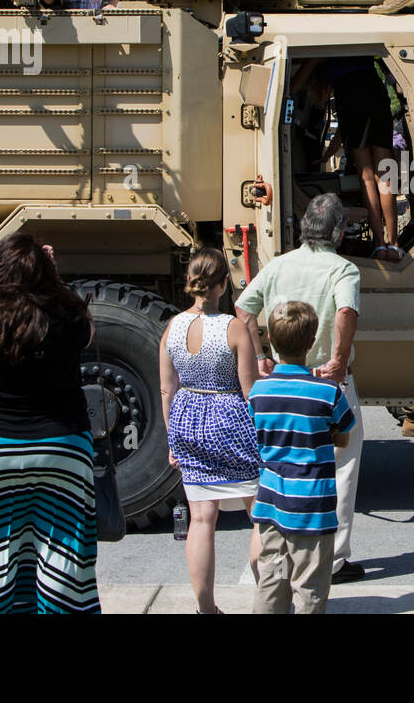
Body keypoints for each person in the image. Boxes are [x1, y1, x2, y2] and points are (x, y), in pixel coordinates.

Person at [0, 235, 100, 613]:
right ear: (46, 273)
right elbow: (88, 328)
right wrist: (55, 278)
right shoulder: (65, 313)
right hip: (63, 447)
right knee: (65, 558)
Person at [234, 193, 367, 584]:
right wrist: (339, 362)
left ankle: (283, 553)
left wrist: (259, 355)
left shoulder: (278, 265)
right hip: (325, 383)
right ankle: (333, 559)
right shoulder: (343, 269)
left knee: (281, 466)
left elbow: (243, 311)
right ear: (339, 231)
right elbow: (346, 311)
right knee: (340, 468)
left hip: (282, 380)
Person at [160, 248, 262, 615]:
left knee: (201, 519)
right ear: (223, 284)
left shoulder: (172, 327)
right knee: (260, 516)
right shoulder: (233, 327)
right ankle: (266, 601)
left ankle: (207, 607)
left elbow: (166, 389)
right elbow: (249, 390)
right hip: (231, 423)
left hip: (188, 420)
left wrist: (173, 438)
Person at [248, 301, 355, 613]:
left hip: (270, 503)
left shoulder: (259, 392)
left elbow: (256, 437)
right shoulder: (327, 392)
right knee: (309, 584)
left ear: (271, 341)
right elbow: (343, 438)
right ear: (311, 342)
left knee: (273, 578)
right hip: (312, 507)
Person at [291, 57, 402, 260]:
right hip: (377, 95)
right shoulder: (357, 46)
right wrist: (326, 155)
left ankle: (379, 244)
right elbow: (342, 131)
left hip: (351, 101)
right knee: (385, 174)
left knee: (367, 177)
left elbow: (293, 86)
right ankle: (394, 244)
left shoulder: (321, 52)